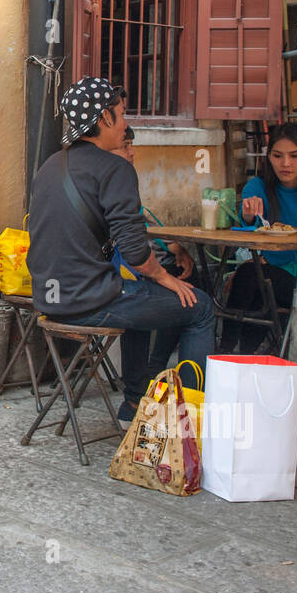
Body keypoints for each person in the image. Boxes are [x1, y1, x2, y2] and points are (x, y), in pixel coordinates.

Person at [27, 77, 215, 428]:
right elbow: (133, 251)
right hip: (89, 303)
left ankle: (133, 405)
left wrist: (155, 279)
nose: (126, 122)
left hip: (47, 302)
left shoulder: (50, 166)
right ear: (104, 119)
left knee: (143, 303)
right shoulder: (116, 168)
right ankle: (187, 422)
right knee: (199, 306)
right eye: (122, 113)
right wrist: (164, 276)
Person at [220, 123, 297, 353]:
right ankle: (242, 355)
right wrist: (247, 216)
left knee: (251, 277)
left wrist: (267, 261)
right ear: (269, 157)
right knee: (257, 286)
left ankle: (227, 352)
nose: (286, 163)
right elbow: (249, 235)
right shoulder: (257, 186)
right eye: (278, 156)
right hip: (269, 273)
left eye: (294, 155)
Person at [107, 126, 199, 423]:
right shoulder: (105, 181)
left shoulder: (121, 182)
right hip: (112, 280)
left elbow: (140, 220)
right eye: (125, 145)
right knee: (185, 299)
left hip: (124, 275)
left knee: (185, 285)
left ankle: (153, 376)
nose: (131, 152)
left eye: (132, 145)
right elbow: (128, 241)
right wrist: (160, 274)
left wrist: (172, 246)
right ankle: (148, 393)